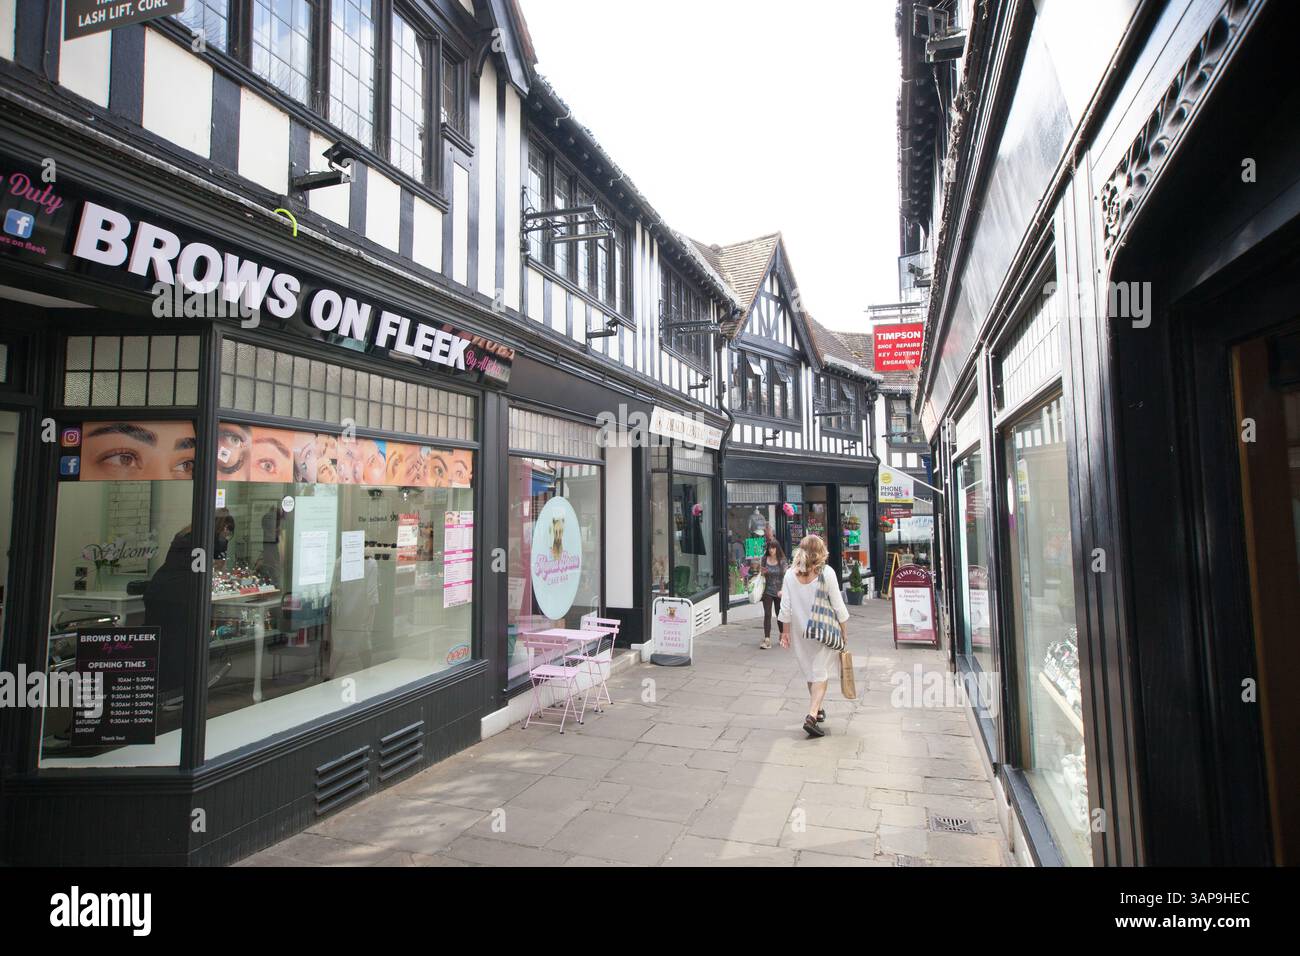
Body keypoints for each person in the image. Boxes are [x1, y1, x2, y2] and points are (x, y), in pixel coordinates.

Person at [778, 534, 850, 738]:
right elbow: (838, 606)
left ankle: (818, 710)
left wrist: (784, 632)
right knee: (820, 674)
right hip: (823, 631)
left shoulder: (790, 575)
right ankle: (811, 716)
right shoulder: (826, 573)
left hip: (801, 632)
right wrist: (844, 632)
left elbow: (785, 609)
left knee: (812, 671)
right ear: (820, 551)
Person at [758, 537, 786, 650]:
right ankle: (767, 639)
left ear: (777, 549)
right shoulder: (765, 559)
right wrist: (762, 572)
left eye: (773, 548)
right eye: (770, 548)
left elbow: (786, 576)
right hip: (767, 590)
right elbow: (760, 573)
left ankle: (782, 633)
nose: (771, 550)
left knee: (780, 614)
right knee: (767, 614)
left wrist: (783, 590)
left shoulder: (782, 560)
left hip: (779, 591)